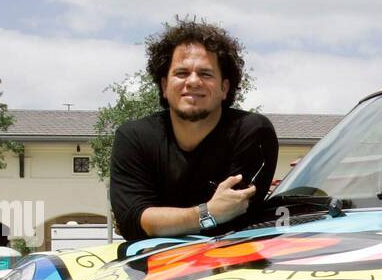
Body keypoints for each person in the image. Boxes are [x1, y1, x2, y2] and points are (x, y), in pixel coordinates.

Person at [110, 19, 278, 242]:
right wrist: (208, 213)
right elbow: (133, 222)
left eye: (206, 74)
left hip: (232, 265)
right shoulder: (134, 138)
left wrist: (161, 221)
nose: (193, 81)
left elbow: (234, 218)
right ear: (164, 86)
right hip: (151, 267)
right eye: (181, 73)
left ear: (224, 88)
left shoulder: (252, 133)